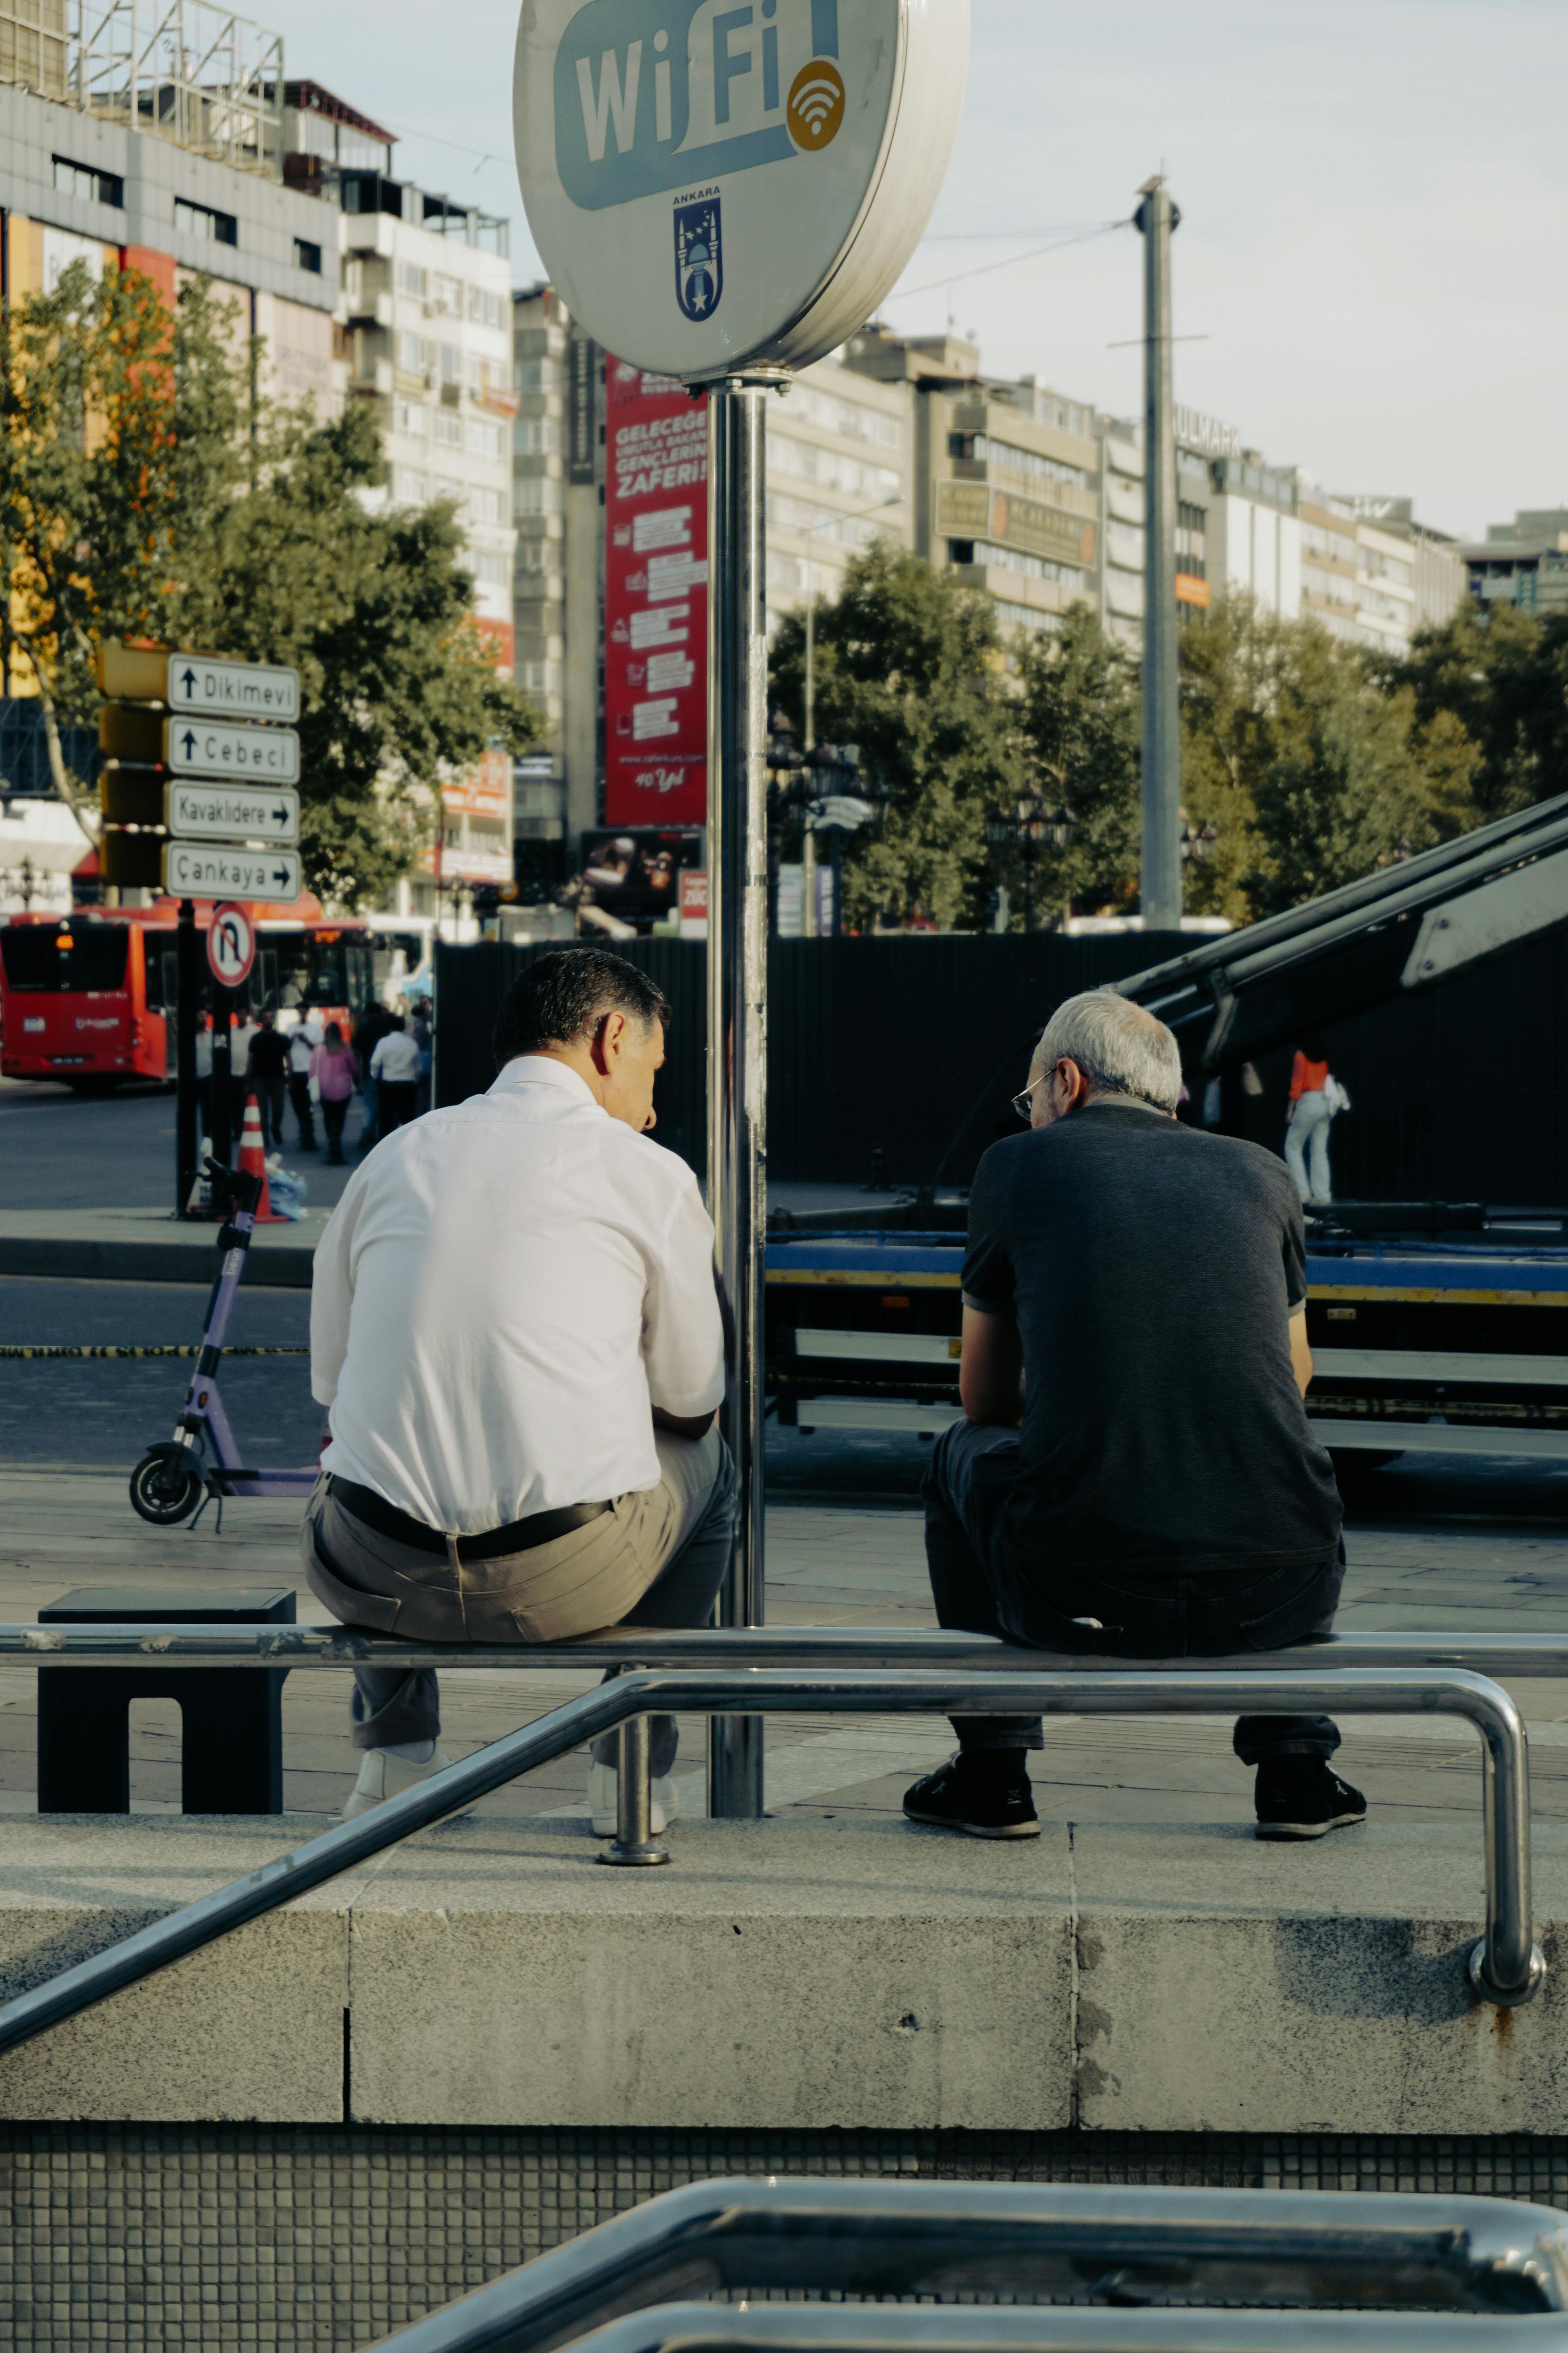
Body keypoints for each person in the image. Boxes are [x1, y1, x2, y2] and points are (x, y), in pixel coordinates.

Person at [905, 988, 1360, 1847]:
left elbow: (985, 1400)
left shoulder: (1014, 1167)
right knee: (1280, 1460)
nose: (1029, 1111)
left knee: (955, 1454)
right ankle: (1295, 1768)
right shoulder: (1263, 1170)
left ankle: (993, 1773)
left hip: (1075, 1585)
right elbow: (1294, 1373)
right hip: (1281, 1588)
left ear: (1066, 1081)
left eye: (1030, 1095)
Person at [302, 948, 734, 1828]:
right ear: (611, 1037)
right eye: (652, 1071)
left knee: (359, 1444)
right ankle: (629, 1769)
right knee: (718, 1470)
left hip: (372, 1570)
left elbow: (331, 1378)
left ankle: (393, 1761)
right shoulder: (647, 1172)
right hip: (566, 1578)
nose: (652, 1108)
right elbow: (694, 1402)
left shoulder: (393, 1156)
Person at [1284, 1036, 1343, 1206]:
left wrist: (1290, 1110)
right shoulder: (1323, 1056)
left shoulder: (1301, 1055)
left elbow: (1297, 1086)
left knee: (1292, 1146)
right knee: (1320, 1150)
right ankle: (1323, 1194)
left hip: (1309, 1101)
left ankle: (1302, 1193)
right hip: (1325, 1102)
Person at [310, 1023, 360, 1165]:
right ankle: (337, 1139)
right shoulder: (346, 1049)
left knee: (328, 1116)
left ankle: (332, 1140)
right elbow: (355, 1069)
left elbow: (312, 1071)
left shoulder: (319, 1050)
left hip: (325, 1090)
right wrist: (357, 1082)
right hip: (343, 1091)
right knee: (340, 1117)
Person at [352, 1001, 396, 1152]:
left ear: (367, 1013)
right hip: (389, 1073)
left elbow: (356, 1052)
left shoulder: (363, 1027)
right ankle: (381, 1134)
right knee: (386, 1105)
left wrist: (356, 1074)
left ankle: (367, 1130)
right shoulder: (388, 1026)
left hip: (367, 1070)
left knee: (369, 1103)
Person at [246, 1010, 291, 1154]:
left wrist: (291, 1076)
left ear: (274, 1020)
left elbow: (289, 1058)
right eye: (265, 1018)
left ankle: (275, 1127)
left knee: (278, 1109)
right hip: (260, 1079)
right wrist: (249, 1080)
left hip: (278, 1078)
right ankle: (265, 1136)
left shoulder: (282, 1039)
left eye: (270, 1018)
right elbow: (250, 1061)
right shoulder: (256, 1039)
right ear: (262, 1021)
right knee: (262, 1110)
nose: (268, 1020)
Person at [369, 1017, 420, 1133]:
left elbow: (375, 1062)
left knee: (386, 1117)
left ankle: (383, 1143)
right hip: (407, 1083)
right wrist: (415, 1080)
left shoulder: (384, 1042)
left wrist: (375, 1077)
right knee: (407, 1117)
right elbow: (418, 1066)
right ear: (404, 1027)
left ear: (390, 1027)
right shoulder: (411, 1043)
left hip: (388, 1083)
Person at [287, 1013, 323, 1151]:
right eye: (300, 1011)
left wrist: (306, 1040)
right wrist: (293, 1039)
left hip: (310, 1071)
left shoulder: (315, 1028)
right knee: (297, 1103)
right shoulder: (291, 1027)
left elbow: (318, 1049)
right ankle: (304, 1131)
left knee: (308, 1105)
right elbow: (287, 1048)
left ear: (308, 1012)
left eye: (305, 1011)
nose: (302, 1014)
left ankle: (308, 1135)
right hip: (295, 1071)